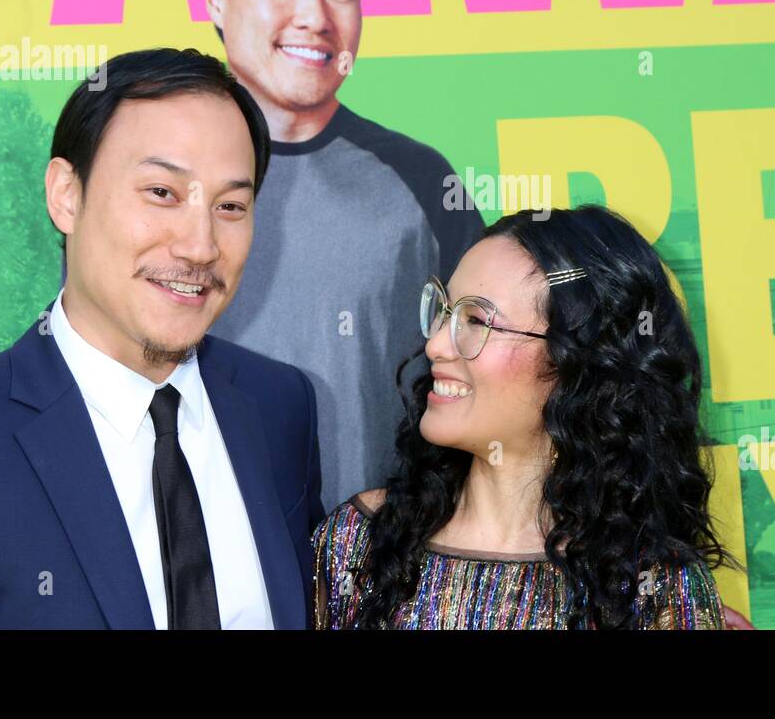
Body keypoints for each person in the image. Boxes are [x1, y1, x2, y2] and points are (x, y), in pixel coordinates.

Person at [0, 48, 322, 629]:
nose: (200, 246)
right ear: (66, 196)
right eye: (162, 193)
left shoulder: (279, 407)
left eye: (230, 205)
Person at [311, 205, 745, 629]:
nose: (436, 345)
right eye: (444, 312)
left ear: (576, 364)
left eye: (476, 320)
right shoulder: (357, 543)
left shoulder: (652, 588)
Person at [201, 0, 485, 511]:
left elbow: (488, 364)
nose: (315, 17)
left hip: (385, 555)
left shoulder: (422, 181)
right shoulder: (158, 182)